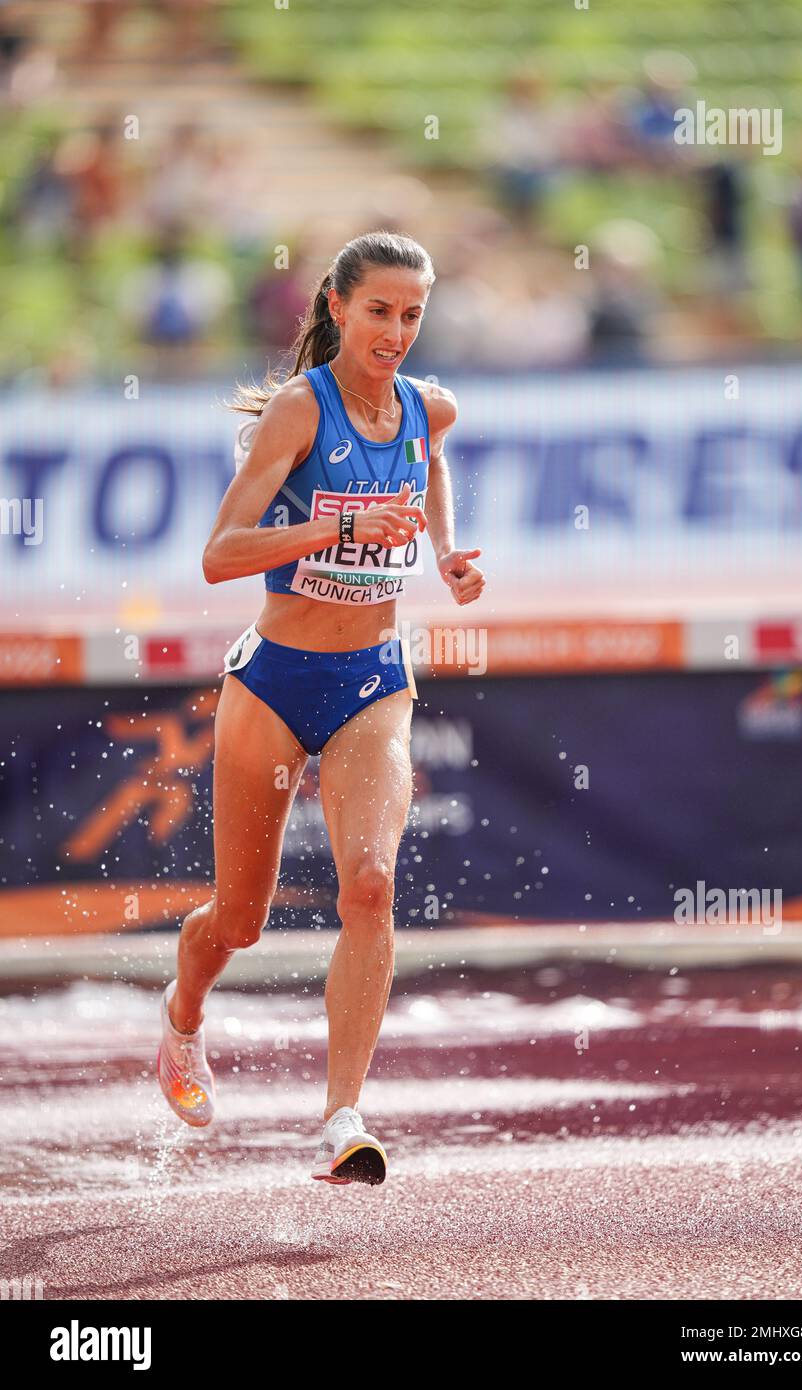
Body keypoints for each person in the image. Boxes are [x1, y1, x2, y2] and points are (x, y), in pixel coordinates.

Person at [157, 230, 485, 1185]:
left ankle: (343, 1115)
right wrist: (339, 521)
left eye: (412, 315)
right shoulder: (301, 412)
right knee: (242, 922)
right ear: (337, 307)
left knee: (371, 885)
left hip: (375, 680)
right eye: (378, 310)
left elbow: (430, 465)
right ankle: (182, 1020)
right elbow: (221, 553)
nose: (395, 331)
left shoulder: (433, 407)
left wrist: (447, 553)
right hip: (273, 682)